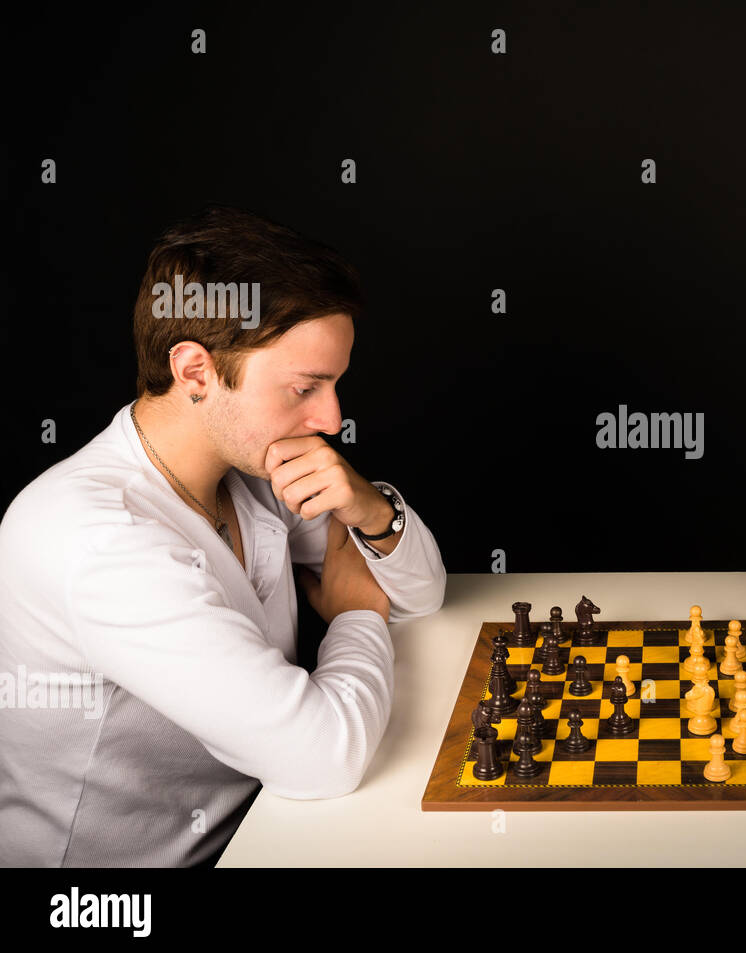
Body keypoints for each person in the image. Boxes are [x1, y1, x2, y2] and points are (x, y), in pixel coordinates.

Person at [0, 206, 447, 866]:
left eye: (334, 384)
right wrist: (354, 613)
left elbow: (421, 594)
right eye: (306, 387)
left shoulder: (255, 468)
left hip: (265, 830)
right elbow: (323, 757)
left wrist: (368, 507)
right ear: (196, 372)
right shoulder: (98, 540)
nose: (331, 417)